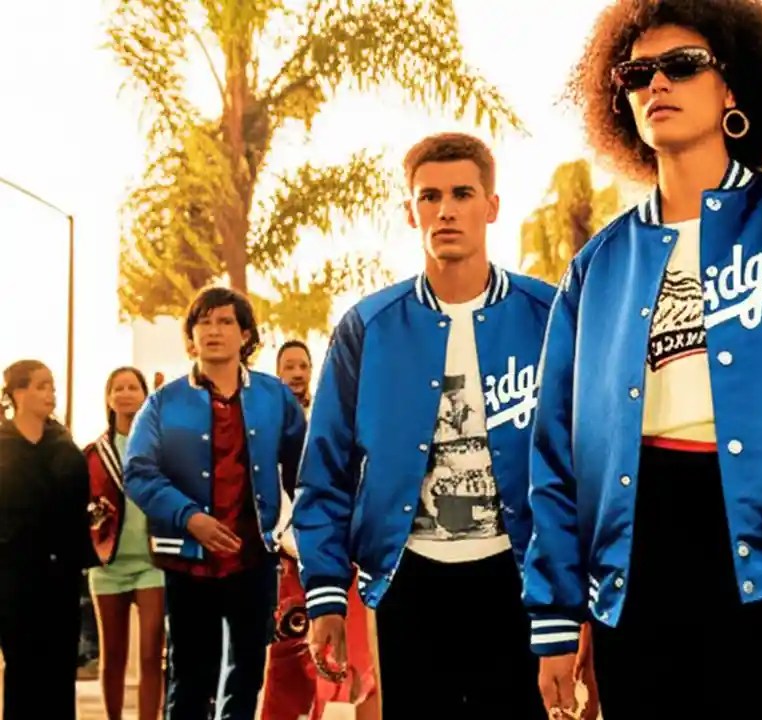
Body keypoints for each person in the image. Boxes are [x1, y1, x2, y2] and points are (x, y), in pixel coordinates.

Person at [522, 1, 762, 718]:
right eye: (637, 73)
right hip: (635, 561)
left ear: (732, 86)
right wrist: (559, 610)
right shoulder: (596, 267)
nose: (657, 85)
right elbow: (556, 449)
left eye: (682, 65)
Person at [294, 132, 556, 719]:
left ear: (491, 205)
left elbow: (583, 463)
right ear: (410, 211)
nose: (446, 209)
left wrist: (576, 595)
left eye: (463, 193)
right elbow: (326, 472)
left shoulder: (550, 315)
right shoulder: (368, 327)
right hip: (408, 578)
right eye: (429, 196)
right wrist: (326, 595)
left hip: (519, 577)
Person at [125, 287, 307, 720]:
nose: (213, 330)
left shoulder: (274, 397)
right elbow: (139, 472)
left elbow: (308, 472)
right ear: (191, 336)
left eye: (226, 321)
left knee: (246, 678)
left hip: (254, 560)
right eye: (203, 322)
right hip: (188, 562)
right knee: (189, 681)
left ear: (245, 335)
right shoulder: (162, 402)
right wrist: (189, 518)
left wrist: (295, 532)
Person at [262, 339, 379, 720]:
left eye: (303, 366)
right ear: (277, 373)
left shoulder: (334, 419)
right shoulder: (266, 425)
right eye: (289, 366)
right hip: (289, 559)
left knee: (352, 661)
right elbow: (270, 495)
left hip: (341, 557)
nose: (296, 373)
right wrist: (291, 541)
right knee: (287, 663)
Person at [0, 359, 96, 719]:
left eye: (52, 386)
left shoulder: (64, 445)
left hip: (61, 576)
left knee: (59, 668)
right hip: (14, 574)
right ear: (17, 392)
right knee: (22, 666)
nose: (50, 394)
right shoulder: (3, 446)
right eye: (41, 386)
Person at [85, 367, 165, 720]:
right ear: (108, 398)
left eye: (133, 387)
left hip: (153, 564)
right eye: (118, 387)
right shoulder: (94, 452)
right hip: (108, 566)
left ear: (145, 395)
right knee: (113, 655)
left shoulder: (160, 446)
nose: (126, 393)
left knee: (151, 653)